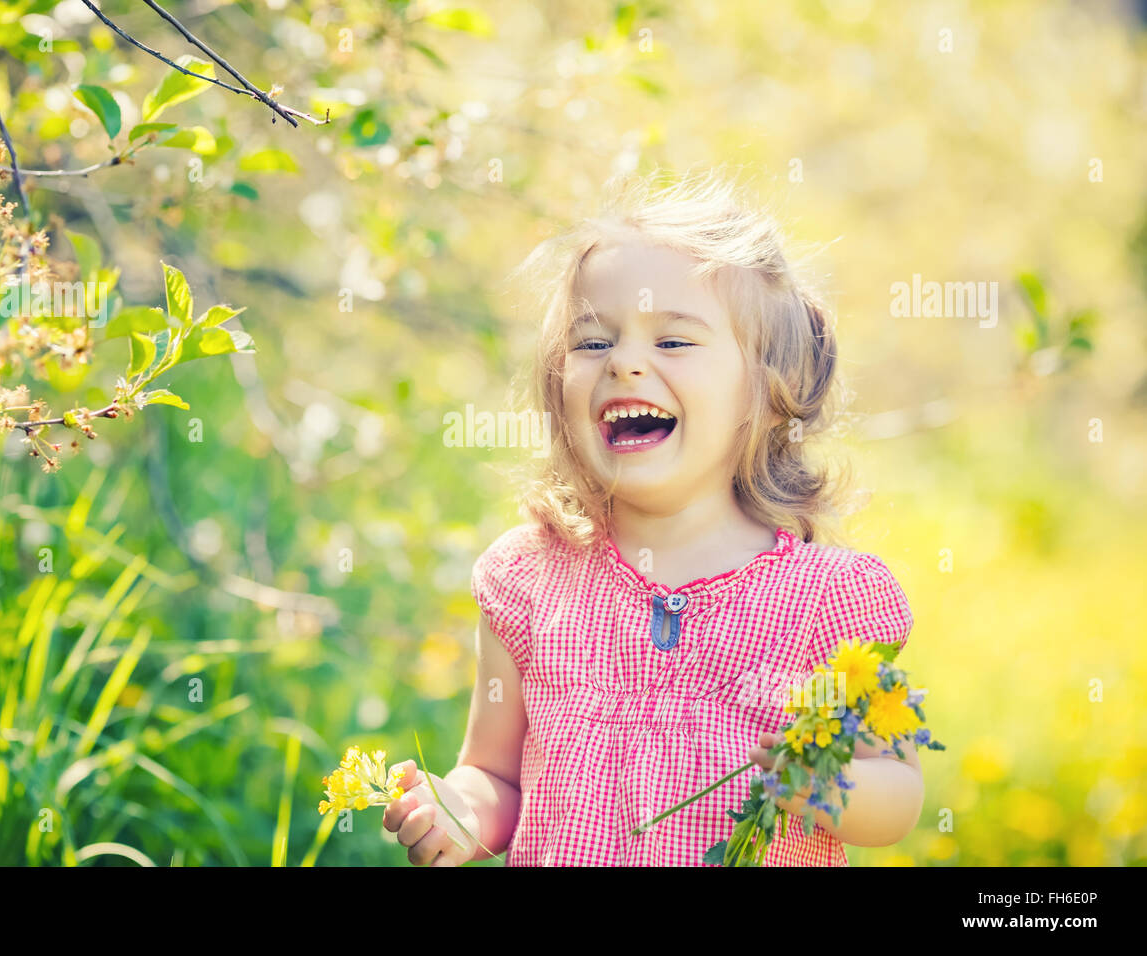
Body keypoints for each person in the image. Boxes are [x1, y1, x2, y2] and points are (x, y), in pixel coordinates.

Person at [383, 168, 923, 866]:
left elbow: (898, 793)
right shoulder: (530, 579)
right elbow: (497, 775)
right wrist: (460, 808)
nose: (626, 364)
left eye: (672, 342)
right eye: (594, 342)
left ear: (763, 387)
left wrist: (827, 785)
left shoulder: (829, 600)